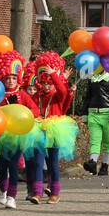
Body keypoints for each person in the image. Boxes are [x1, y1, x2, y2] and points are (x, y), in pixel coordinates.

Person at [0, 51, 39, 209]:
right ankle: (3, 190)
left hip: (18, 136)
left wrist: (22, 111)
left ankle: (12, 196)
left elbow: (35, 111)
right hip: (2, 136)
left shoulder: (23, 95)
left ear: (17, 78)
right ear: (2, 79)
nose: (11, 81)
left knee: (14, 167)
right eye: (7, 78)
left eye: (13, 78)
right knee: (2, 167)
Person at [30, 52, 77, 203]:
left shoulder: (57, 95)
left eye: (49, 83)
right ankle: (37, 193)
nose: (46, 86)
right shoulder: (36, 96)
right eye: (44, 83)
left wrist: (55, 75)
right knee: (38, 162)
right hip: (38, 130)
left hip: (55, 131)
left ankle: (55, 193)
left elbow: (63, 90)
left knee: (53, 162)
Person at [81, 68, 109, 176]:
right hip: (93, 115)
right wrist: (84, 114)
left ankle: (105, 166)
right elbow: (87, 98)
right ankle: (93, 163)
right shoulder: (91, 79)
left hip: (108, 116)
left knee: (108, 142)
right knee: (94, 140)